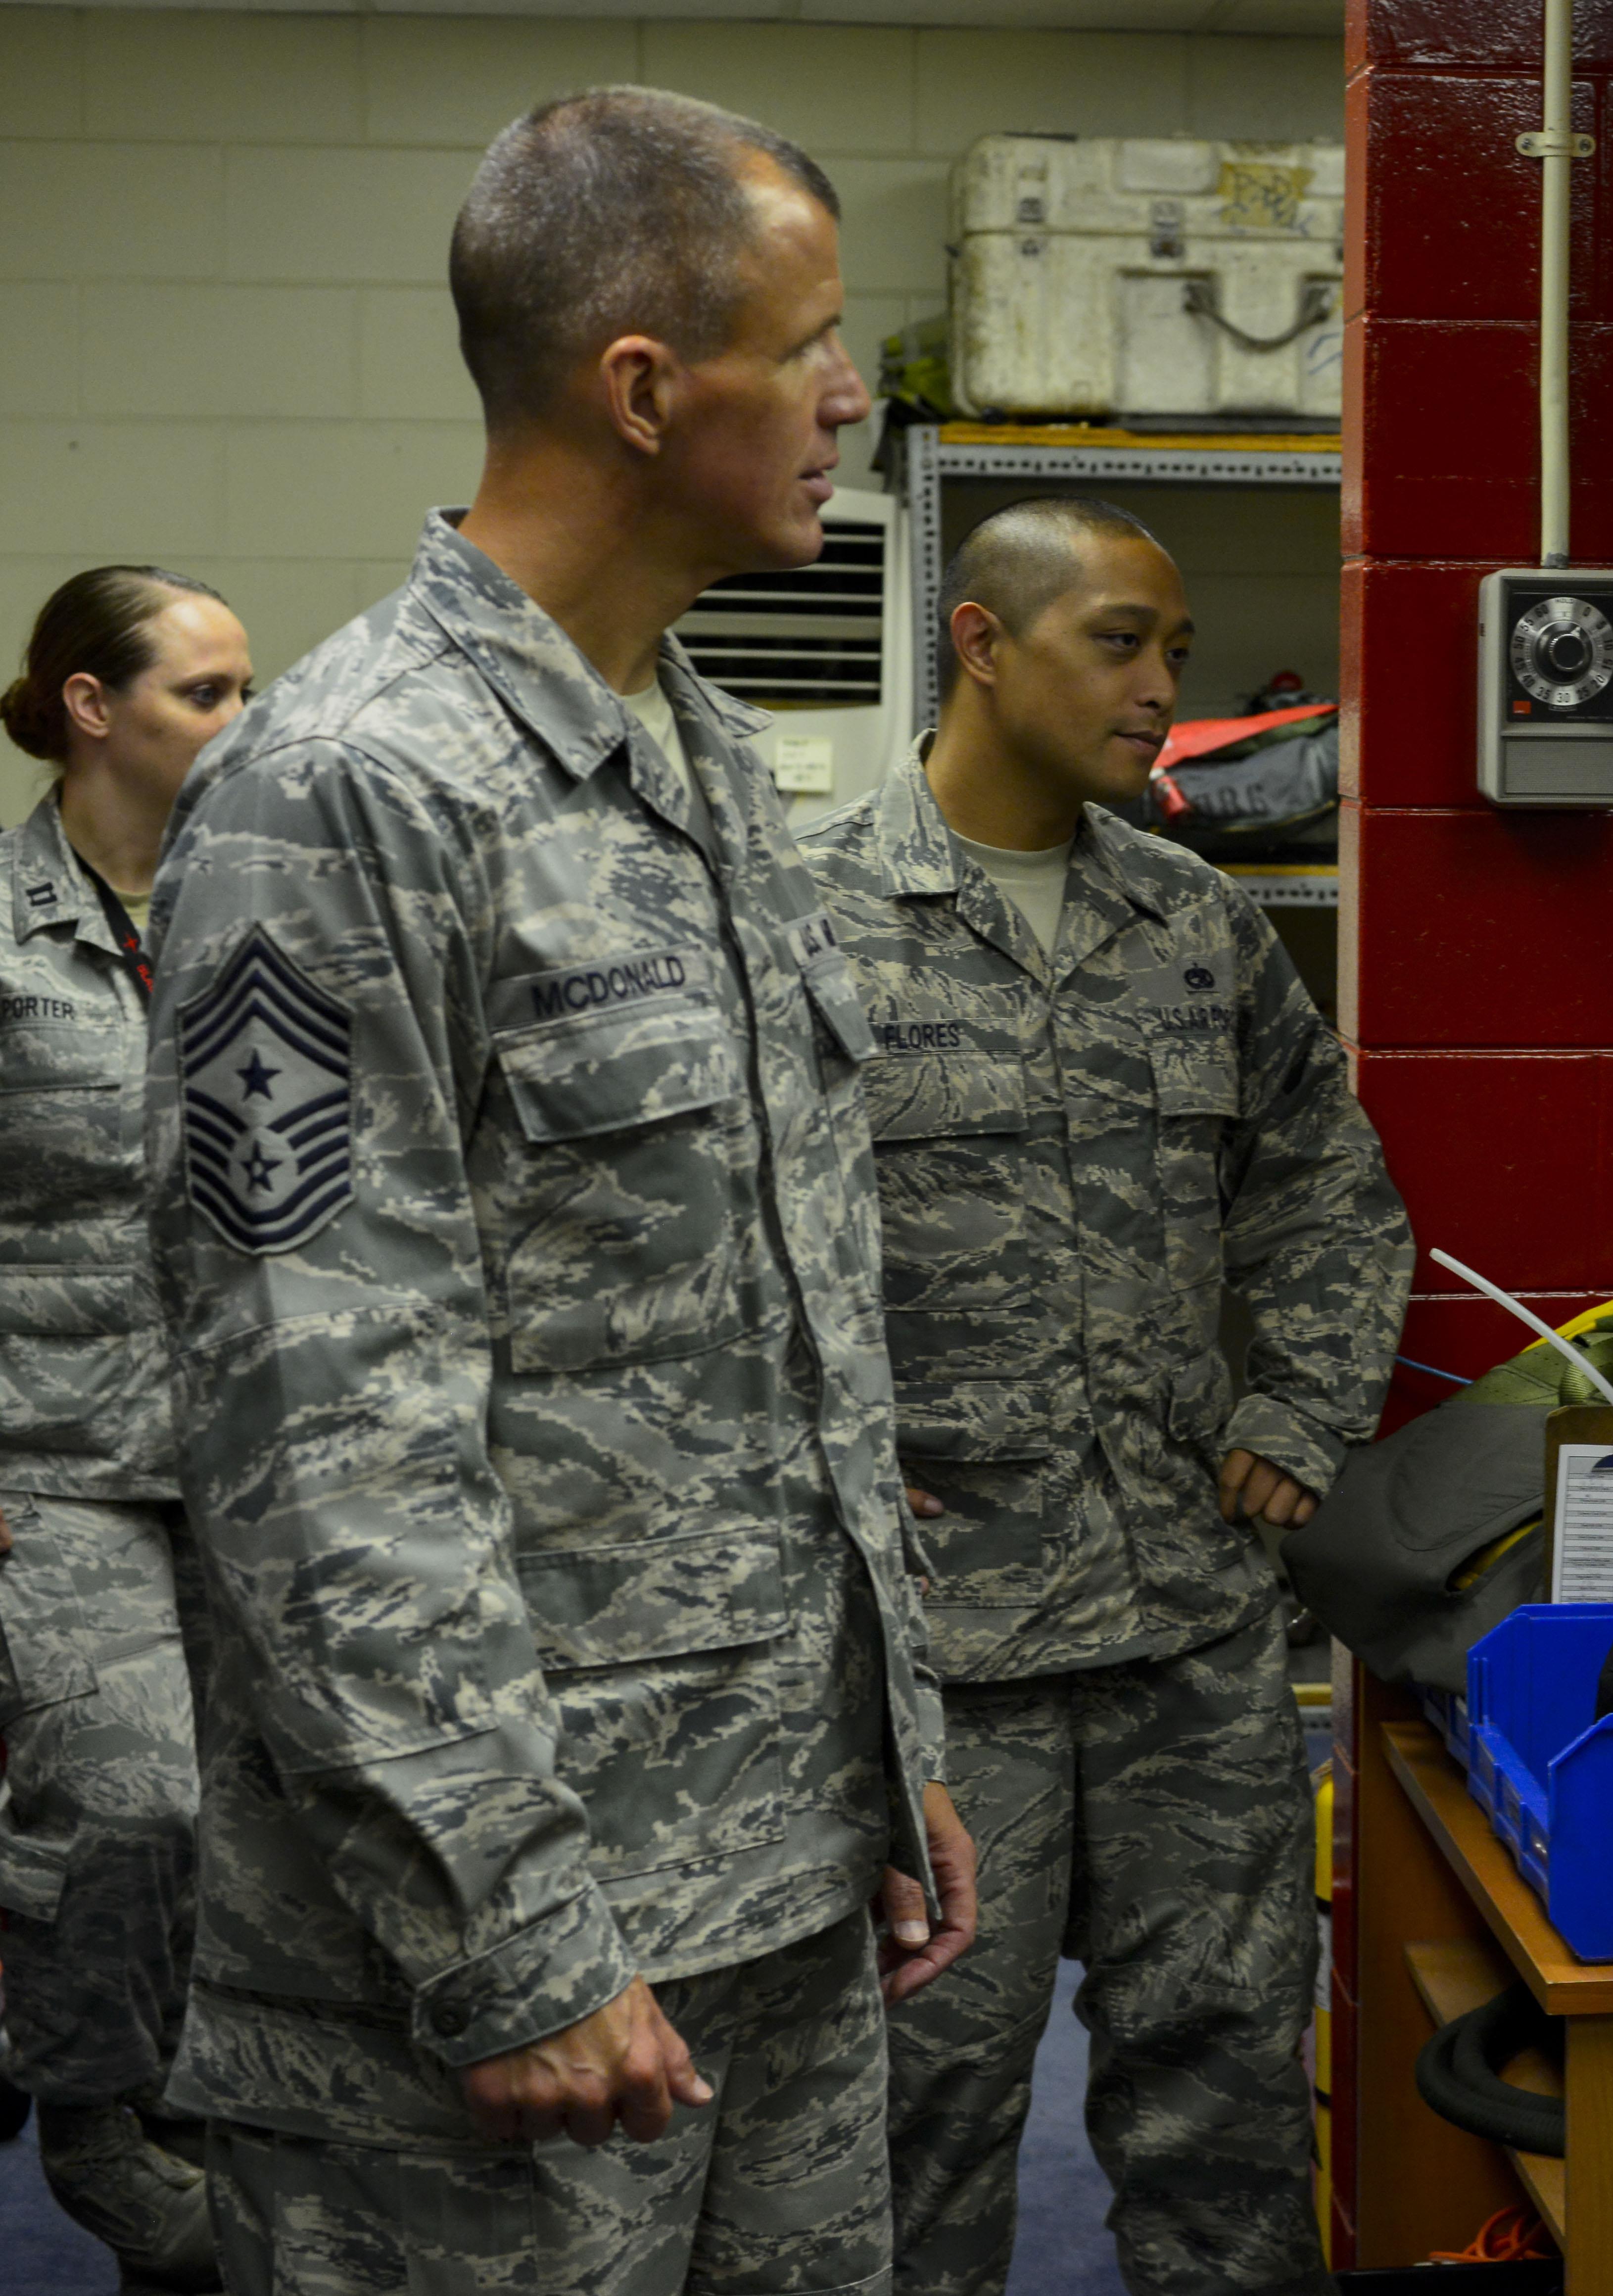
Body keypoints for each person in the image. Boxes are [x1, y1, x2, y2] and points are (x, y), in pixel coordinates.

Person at [141, 88, 977, 2295]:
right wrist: (503, 1925)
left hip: (774, 1898)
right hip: (500, 1976)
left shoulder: (686, 750)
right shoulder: (341, 793)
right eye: (812, 344)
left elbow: (779, 1325)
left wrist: (882, 1765)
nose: (844, 403)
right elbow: (321, 1446)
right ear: (638, 388)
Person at [801, 497, 1409, 2296]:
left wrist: (1295, 1416)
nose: (1161, 693)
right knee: (918, 2125)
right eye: (1120, 643)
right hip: (937, 1667)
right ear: (984, 643)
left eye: (1177, 653)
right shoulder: (803, 923)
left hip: (1187, 1645)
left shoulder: (1196, 927)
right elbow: (701, 1258)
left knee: (1225, 2108)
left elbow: (1326, 1187)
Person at [0, 565, 251, 2291]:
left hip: (261, 1472)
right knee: (140, 1801)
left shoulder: (273, 922)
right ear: (94, 708)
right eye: (211, 694)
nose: (251, 724)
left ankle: (228, 2137)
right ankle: (95, 2112)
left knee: (274, 1837)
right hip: (56, 1470)